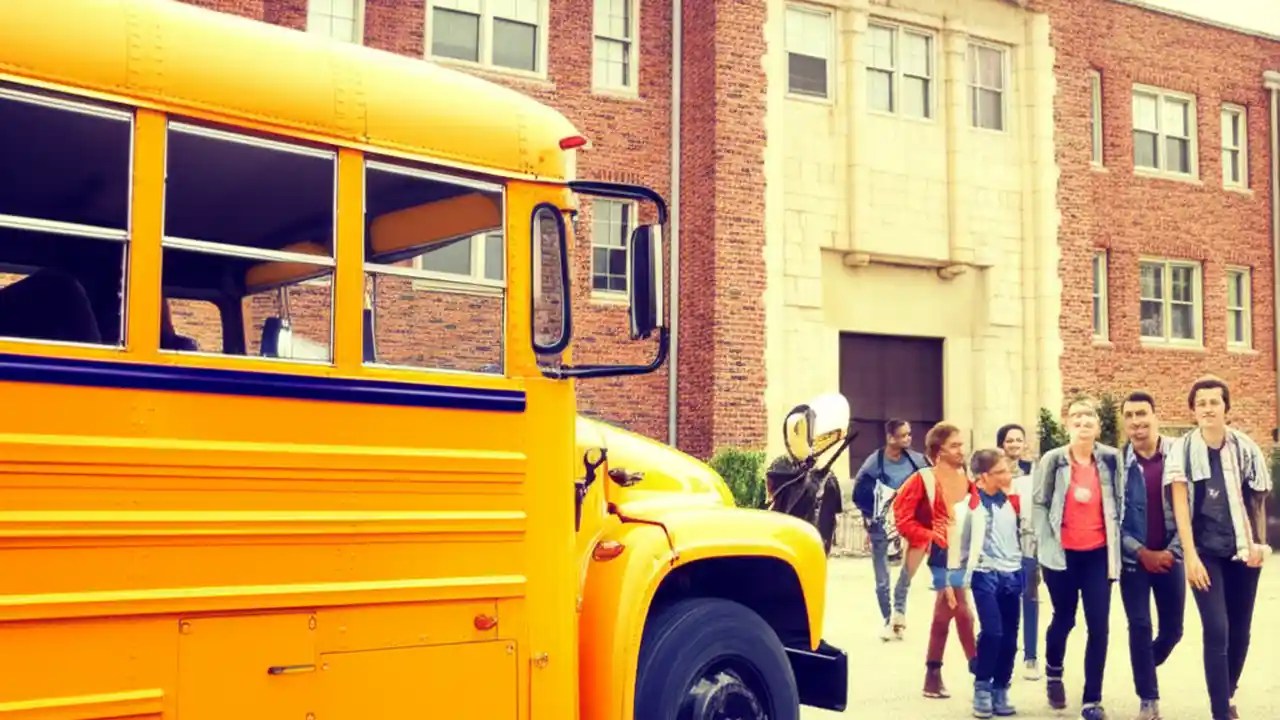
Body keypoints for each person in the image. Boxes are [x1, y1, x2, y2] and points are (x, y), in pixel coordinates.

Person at [1165, 375, 1272, 720]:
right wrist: (1190, 556)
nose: (1208, 408)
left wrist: (1260, 545)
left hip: (1242, 550)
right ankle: (1219, 713)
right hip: (1206, 552)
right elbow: (1180, 506)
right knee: (1217, 628)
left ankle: (1228, 694)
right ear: (1193, 411)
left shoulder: (1245, 447)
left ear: (1226, 406)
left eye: (1214, 402)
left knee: (1241, 630)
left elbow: (1258, 499)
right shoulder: (1182, 449)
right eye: (1201, 403)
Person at [1031, 396, 1123, 720]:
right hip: (1061, 555)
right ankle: (1054, 671)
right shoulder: (1053, 460)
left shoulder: (1111, 460)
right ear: (1068, 425)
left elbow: (1120, 504)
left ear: (1098, 427)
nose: (1083, 424)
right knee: (1065, 619)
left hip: (1098, 555)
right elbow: (1039, 504)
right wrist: (1045, 545)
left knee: (1099, 626)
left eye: (1089, 419)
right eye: (1077, 419)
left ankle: (1091, 700)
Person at [892, 422, 975, 699]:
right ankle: (979, 672)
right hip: (942, 552)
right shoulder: (923, 479)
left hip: (965, 551)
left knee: (946, 611)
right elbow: (902, 517)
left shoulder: (964, 477)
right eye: (955, 446)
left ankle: (933, 674)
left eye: (961, 444)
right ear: (939, 451)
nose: (961, 450)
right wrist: (929, 536)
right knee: (960, 608)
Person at [1117, 391, 1184, 720]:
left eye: (1141, 413)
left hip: (1173, 556)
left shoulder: (1180, 454)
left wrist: (1171, 552)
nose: (1135, 421)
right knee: (1140, 625)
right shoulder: (1117, 464)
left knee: (1173, 631)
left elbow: (1193, 510)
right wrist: (1141, 552)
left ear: (1155, 415)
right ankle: (1149, 698)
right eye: (1129, 415)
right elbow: (1112, 518)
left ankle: (1143, 663)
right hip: (1135, 560)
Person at [949, 448, 1024, 719]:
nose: (1007, 475)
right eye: (1000, 471)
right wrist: (953, 580)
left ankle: (1001, 686)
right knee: (993, 631)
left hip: (1012, 573)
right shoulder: (970, 507)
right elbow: (959, 546)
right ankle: (982, 685)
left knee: (1011, 638)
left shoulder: (1012, 501)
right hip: (984, 573)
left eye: (1006, 470)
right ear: (983, 476)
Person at [852, 419, 929, 641]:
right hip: (881, 524)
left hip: (911, 523)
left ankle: (899, 613)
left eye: (909, 434)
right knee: (882, 579)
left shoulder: (918, 461)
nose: (908, 438)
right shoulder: (874, 462)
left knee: (906, 573)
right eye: (903, 435)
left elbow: (931, 489)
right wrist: (869, 515)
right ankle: (889, 619)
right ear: (890, 438)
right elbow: (860, 492)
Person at [998, 422, 1041, 681]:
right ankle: (1004, 655)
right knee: (1002, 598)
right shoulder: (994, 470)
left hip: (1026, 540)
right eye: (1009, 440)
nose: (1014, 444)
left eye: (1018, 440)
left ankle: (1031, 656)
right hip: (1001, 542)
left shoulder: (1033, 470)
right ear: (1001, 444)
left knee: (1030, 596)